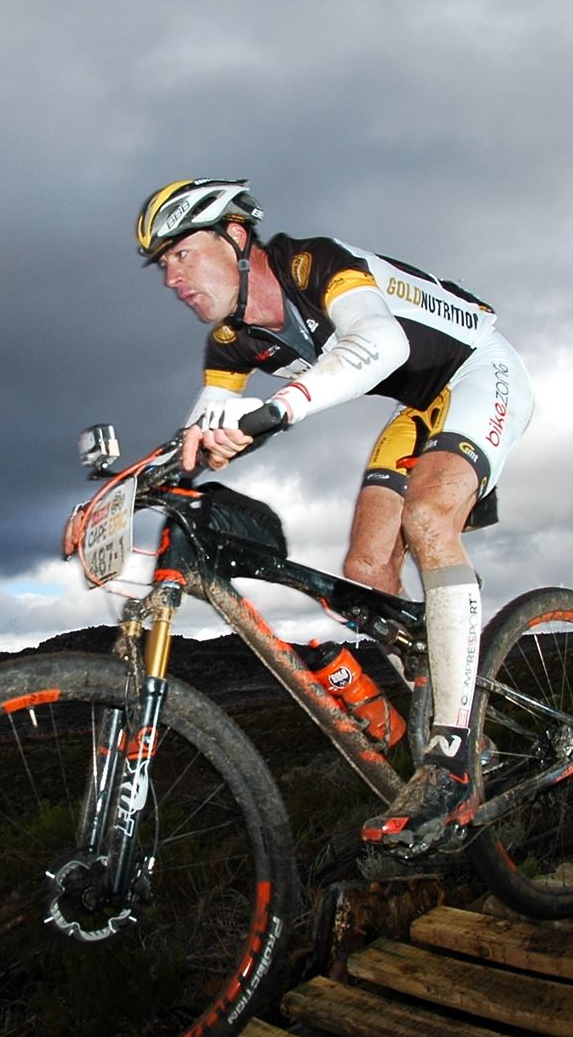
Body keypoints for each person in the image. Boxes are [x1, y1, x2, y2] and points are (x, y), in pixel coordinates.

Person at [135, 178, 534, 850]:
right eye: (162, 265)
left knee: (427, 519)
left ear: (236, 237)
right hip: (422, 408)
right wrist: (123, 491)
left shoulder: (312, 263)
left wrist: (278, 408)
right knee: (367, 569)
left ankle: (453, 753)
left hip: (481, 373)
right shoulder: (231, 341)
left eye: (182, 253)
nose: (172, 278)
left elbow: (382, 343)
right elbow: (199, 434)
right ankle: (444, 687)